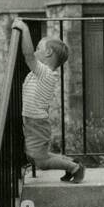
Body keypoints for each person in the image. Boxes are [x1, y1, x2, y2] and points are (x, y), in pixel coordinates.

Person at [11, 17, 84, 182]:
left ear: (48, 53)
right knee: (36, 155)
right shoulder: (42, 73)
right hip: (33, 122)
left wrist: (24, 29)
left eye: (38, 48)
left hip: (36, 123)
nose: (35, 51)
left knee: (40, 161)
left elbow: (28, 55)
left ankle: (74, 168)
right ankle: (71, 162)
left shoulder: (45, 72)